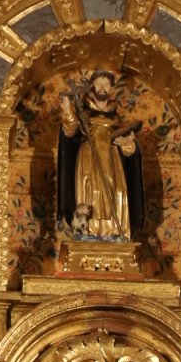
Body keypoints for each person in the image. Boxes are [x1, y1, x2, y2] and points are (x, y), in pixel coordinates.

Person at [56, 71, 144, 241]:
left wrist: (129, 145)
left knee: (117, 191)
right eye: (99, 83)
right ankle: (87, 231)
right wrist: (67, 111)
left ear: (111, 88)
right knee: (91, 191)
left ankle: (116, 231)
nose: (103, 87)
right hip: (89, 157)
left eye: (107, 84)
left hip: (112, 160)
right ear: (92, 87)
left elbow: (128, 150)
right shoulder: (83, 113)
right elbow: (70, 130)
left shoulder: (116, 118)